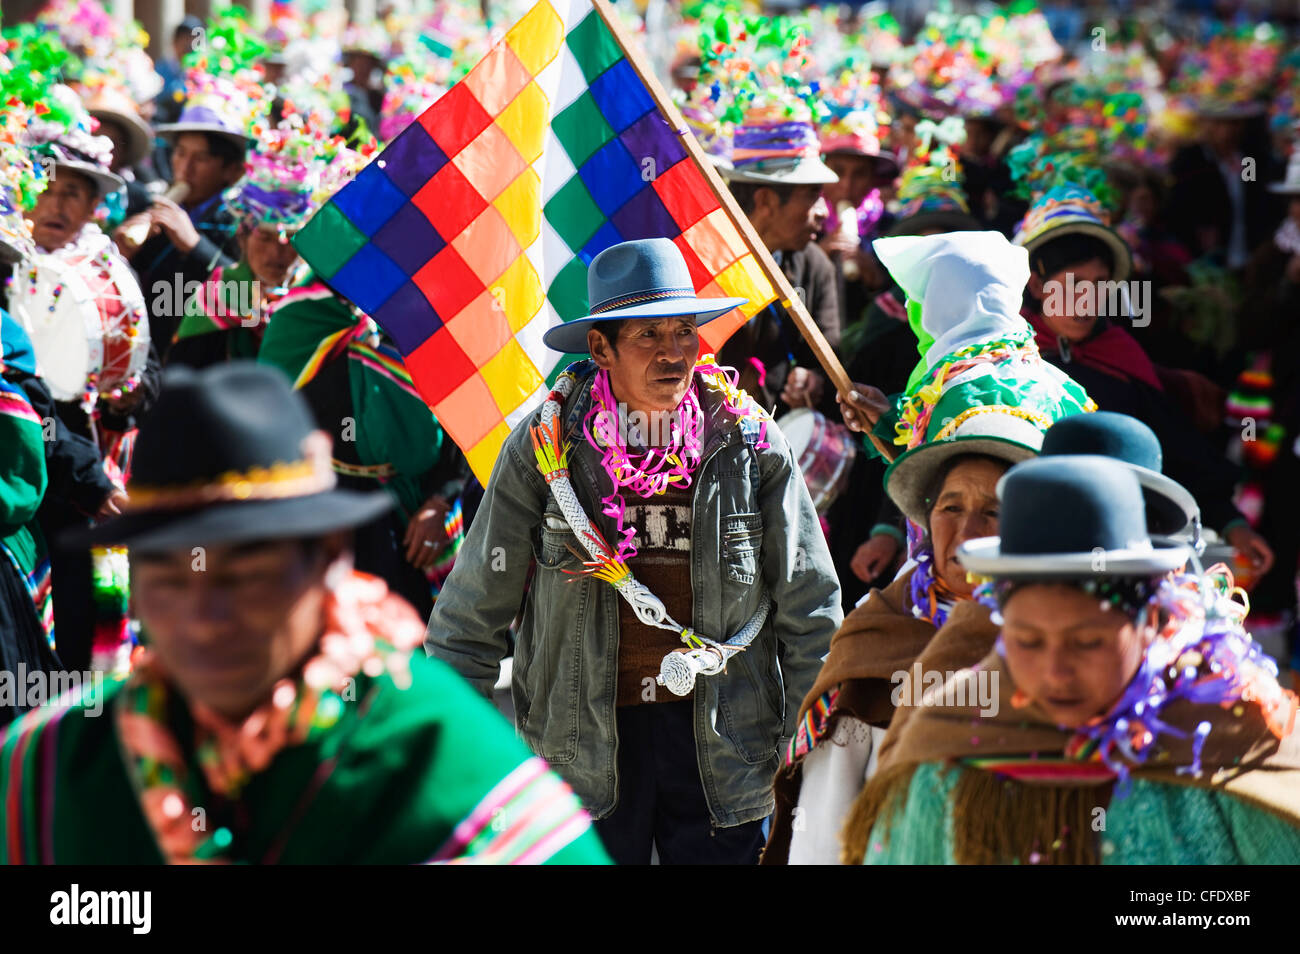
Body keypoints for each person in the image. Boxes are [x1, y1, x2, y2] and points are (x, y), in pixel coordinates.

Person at [0, 362, 609, 865]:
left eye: (247, 577)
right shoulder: (56, 768)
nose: (204, 616)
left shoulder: (444, 765)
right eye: (168, 579)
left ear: (328, 561)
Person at [426, 238, 841, 865]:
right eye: (648, 336)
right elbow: (472, 612)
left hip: (724, 744)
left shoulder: (749, 441)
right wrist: (457, 760)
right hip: (582, 749)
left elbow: (810, 608)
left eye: (684, 332)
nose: (674, 353)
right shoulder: (545, 447)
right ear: (600, 349)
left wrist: (811, 754)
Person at [764, 229, 1093, 864]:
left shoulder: (951, 373)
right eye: (952, 510)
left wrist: (892, 430)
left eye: (994, 512)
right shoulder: (1055, 380)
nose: (970, 532)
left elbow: (929, 461)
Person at [842, 455, 1300, 864]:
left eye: (1087, 643)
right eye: (1027, 641)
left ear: (1153, 621)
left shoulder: (1233, 730)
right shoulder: (948, 741)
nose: (1055, 672)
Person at [1015, 183, 1274, 576]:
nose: (1088, 301)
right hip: (1028, 538)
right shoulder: (1009, 357)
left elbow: (1178, 450)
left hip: (1122, 542)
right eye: (1073, 285)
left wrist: (1233, 523)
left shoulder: (1122, 356)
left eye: (1099, 286)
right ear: (1037, 284)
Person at [714, 105, 843, 415]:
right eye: (812, 195)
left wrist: (812, 379)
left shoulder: (814, 266)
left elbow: (829, 355)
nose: (824, 211)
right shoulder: (704, 260)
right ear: (766, 201)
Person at [116, 72, 251, 357]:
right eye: (180, 154)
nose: (184, 168)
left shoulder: (240, 223)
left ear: (232, 170)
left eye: (200, 158)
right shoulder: (149, 208)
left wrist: (194, 245)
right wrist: (122, 255)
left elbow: (248, 295)